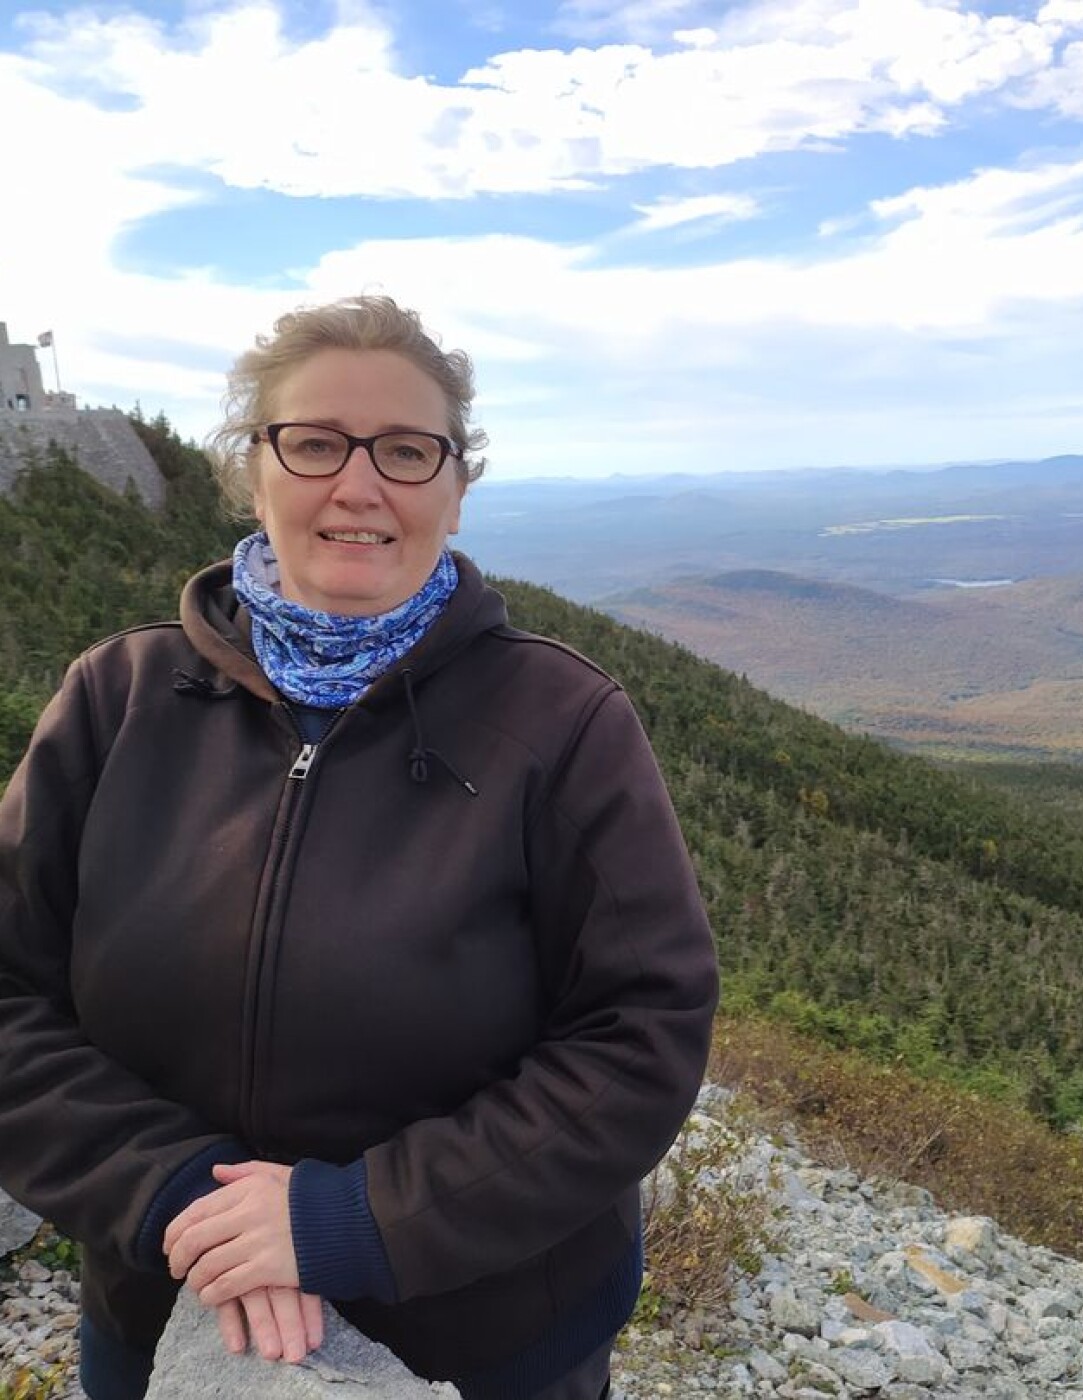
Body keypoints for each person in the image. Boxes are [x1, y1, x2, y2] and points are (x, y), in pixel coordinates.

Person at [0, 296, 719, 1400]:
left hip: (493, 1347)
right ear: (254, 467)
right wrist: (178, 1191)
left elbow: (640, 1032)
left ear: (455, 486)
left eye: (404, 449)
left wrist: (346, 1221)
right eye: (316, 440)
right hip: (164, 1314)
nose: (359, 483)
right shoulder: (119, 698)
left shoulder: (562, 719)